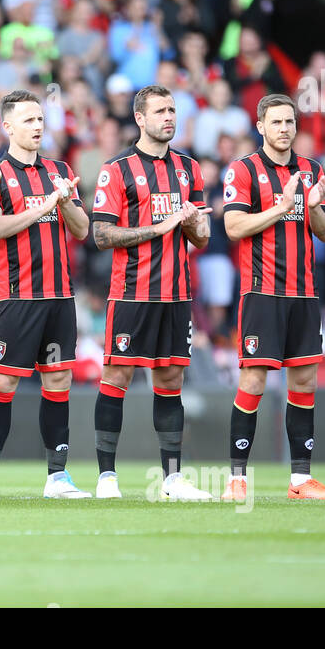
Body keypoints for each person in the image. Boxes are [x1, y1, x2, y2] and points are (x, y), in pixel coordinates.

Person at [90, 85, 212, 500]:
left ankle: (173, 479)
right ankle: (107, 477)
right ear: (140, 118)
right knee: (117, 376)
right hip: (131, 293)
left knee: (171, 379)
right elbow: (101, 234)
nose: (169, 117)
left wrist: (192, 223)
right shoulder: (117, 169)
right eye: (160, 111)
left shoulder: (188, 168)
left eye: (172, 110)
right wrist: (159, 228)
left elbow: (202, 237)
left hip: (176, 295)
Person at [220, 94, 325, 500]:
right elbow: (234, 227)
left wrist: (313, 207)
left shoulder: (312, 170)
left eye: (289, 121)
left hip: (303, 292)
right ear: (260, 127)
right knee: (254, 380)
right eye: (276, 122)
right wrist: (282, 207)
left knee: (304, 380)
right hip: (262, 291)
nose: (284, 128)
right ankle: (237, 479)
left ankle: (300, 481)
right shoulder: (243, 170)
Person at [0, 90, 91, 499]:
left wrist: (65, 202)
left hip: (59, 297)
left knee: (58, 379)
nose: (38, 126)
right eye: (28, 120)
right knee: (4, 381)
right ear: (8, 126)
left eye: (40, 119)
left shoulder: (59, 170)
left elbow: (81, 229)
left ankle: (57, 477)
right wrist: (43, 207)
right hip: (17, 297)